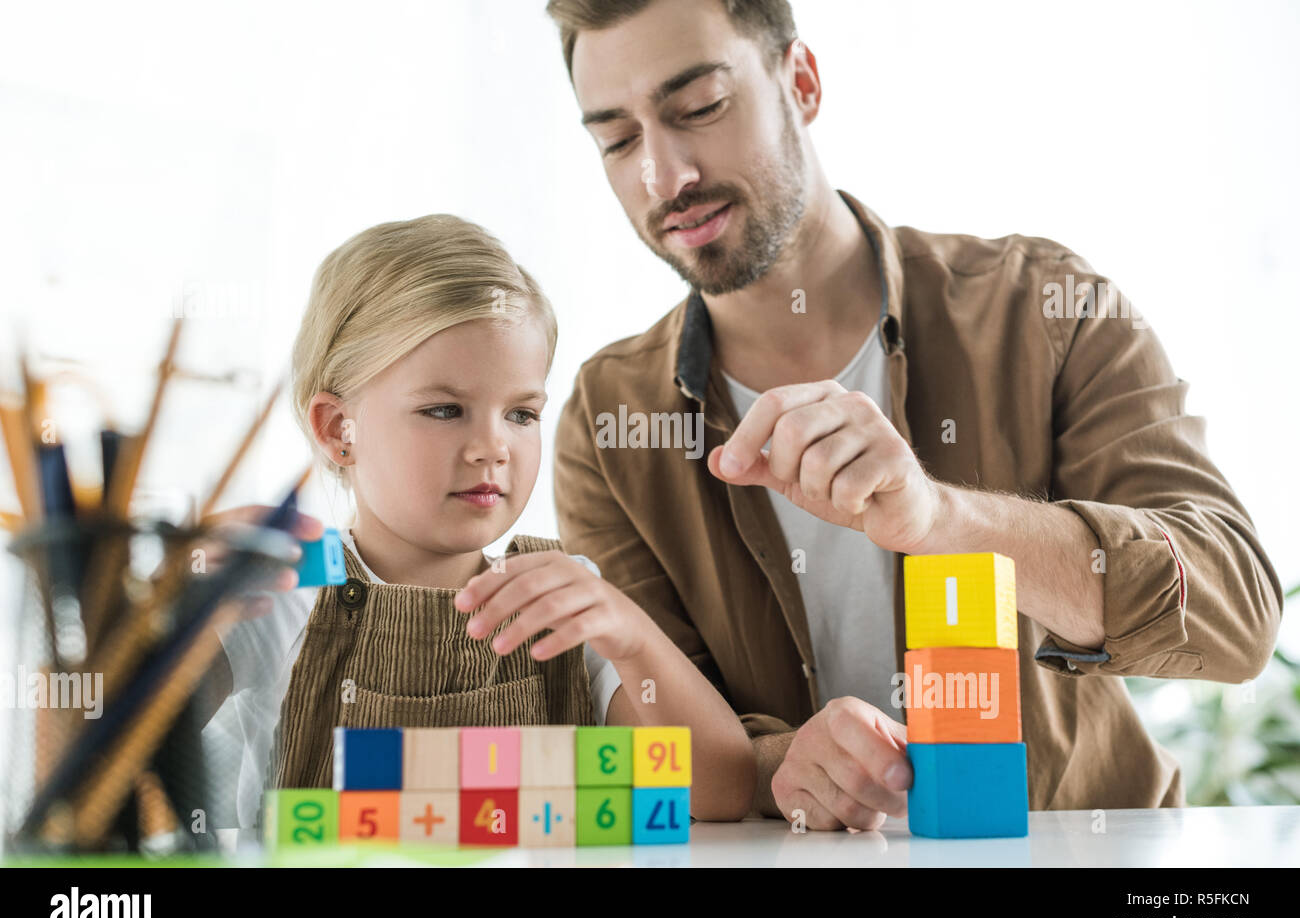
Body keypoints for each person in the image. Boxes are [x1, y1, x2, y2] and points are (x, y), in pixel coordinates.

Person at [543, 0, 1284, 829]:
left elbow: (1237, 611)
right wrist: (778, 764)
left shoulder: (1045, 308)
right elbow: (654, 730)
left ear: (803, 81)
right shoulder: (606, 422)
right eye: (617, 140)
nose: (665, 177)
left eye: (701, 108)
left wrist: (945, 519)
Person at [205, 213, 755, 835]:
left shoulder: (564, 596)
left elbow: (718, 790)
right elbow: (89, 753)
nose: (492, 447)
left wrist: (631, 633)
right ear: (339, 430)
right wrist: (171, 603)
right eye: (445, 409)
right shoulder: (285, 593)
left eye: (522, 414)